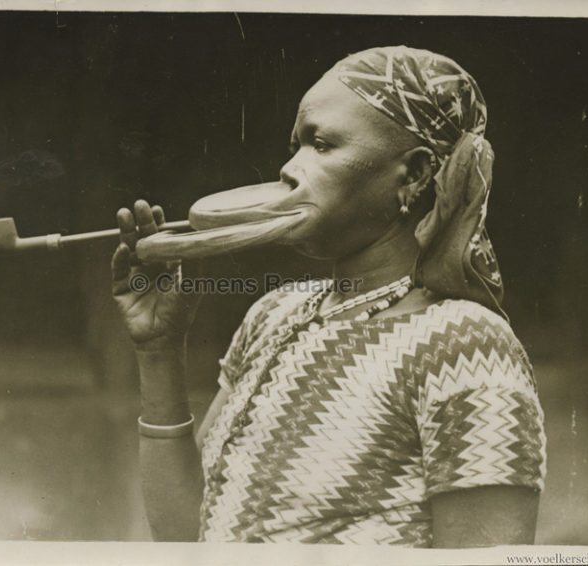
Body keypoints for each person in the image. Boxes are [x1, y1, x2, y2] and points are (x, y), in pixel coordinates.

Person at [111, 46, 546, 546]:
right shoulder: (274, 315)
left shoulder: (466, 346)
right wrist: (160, 351)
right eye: (294, 146)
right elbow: (186, 539)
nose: (288, 169)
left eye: (321, 145)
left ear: (416, 173)